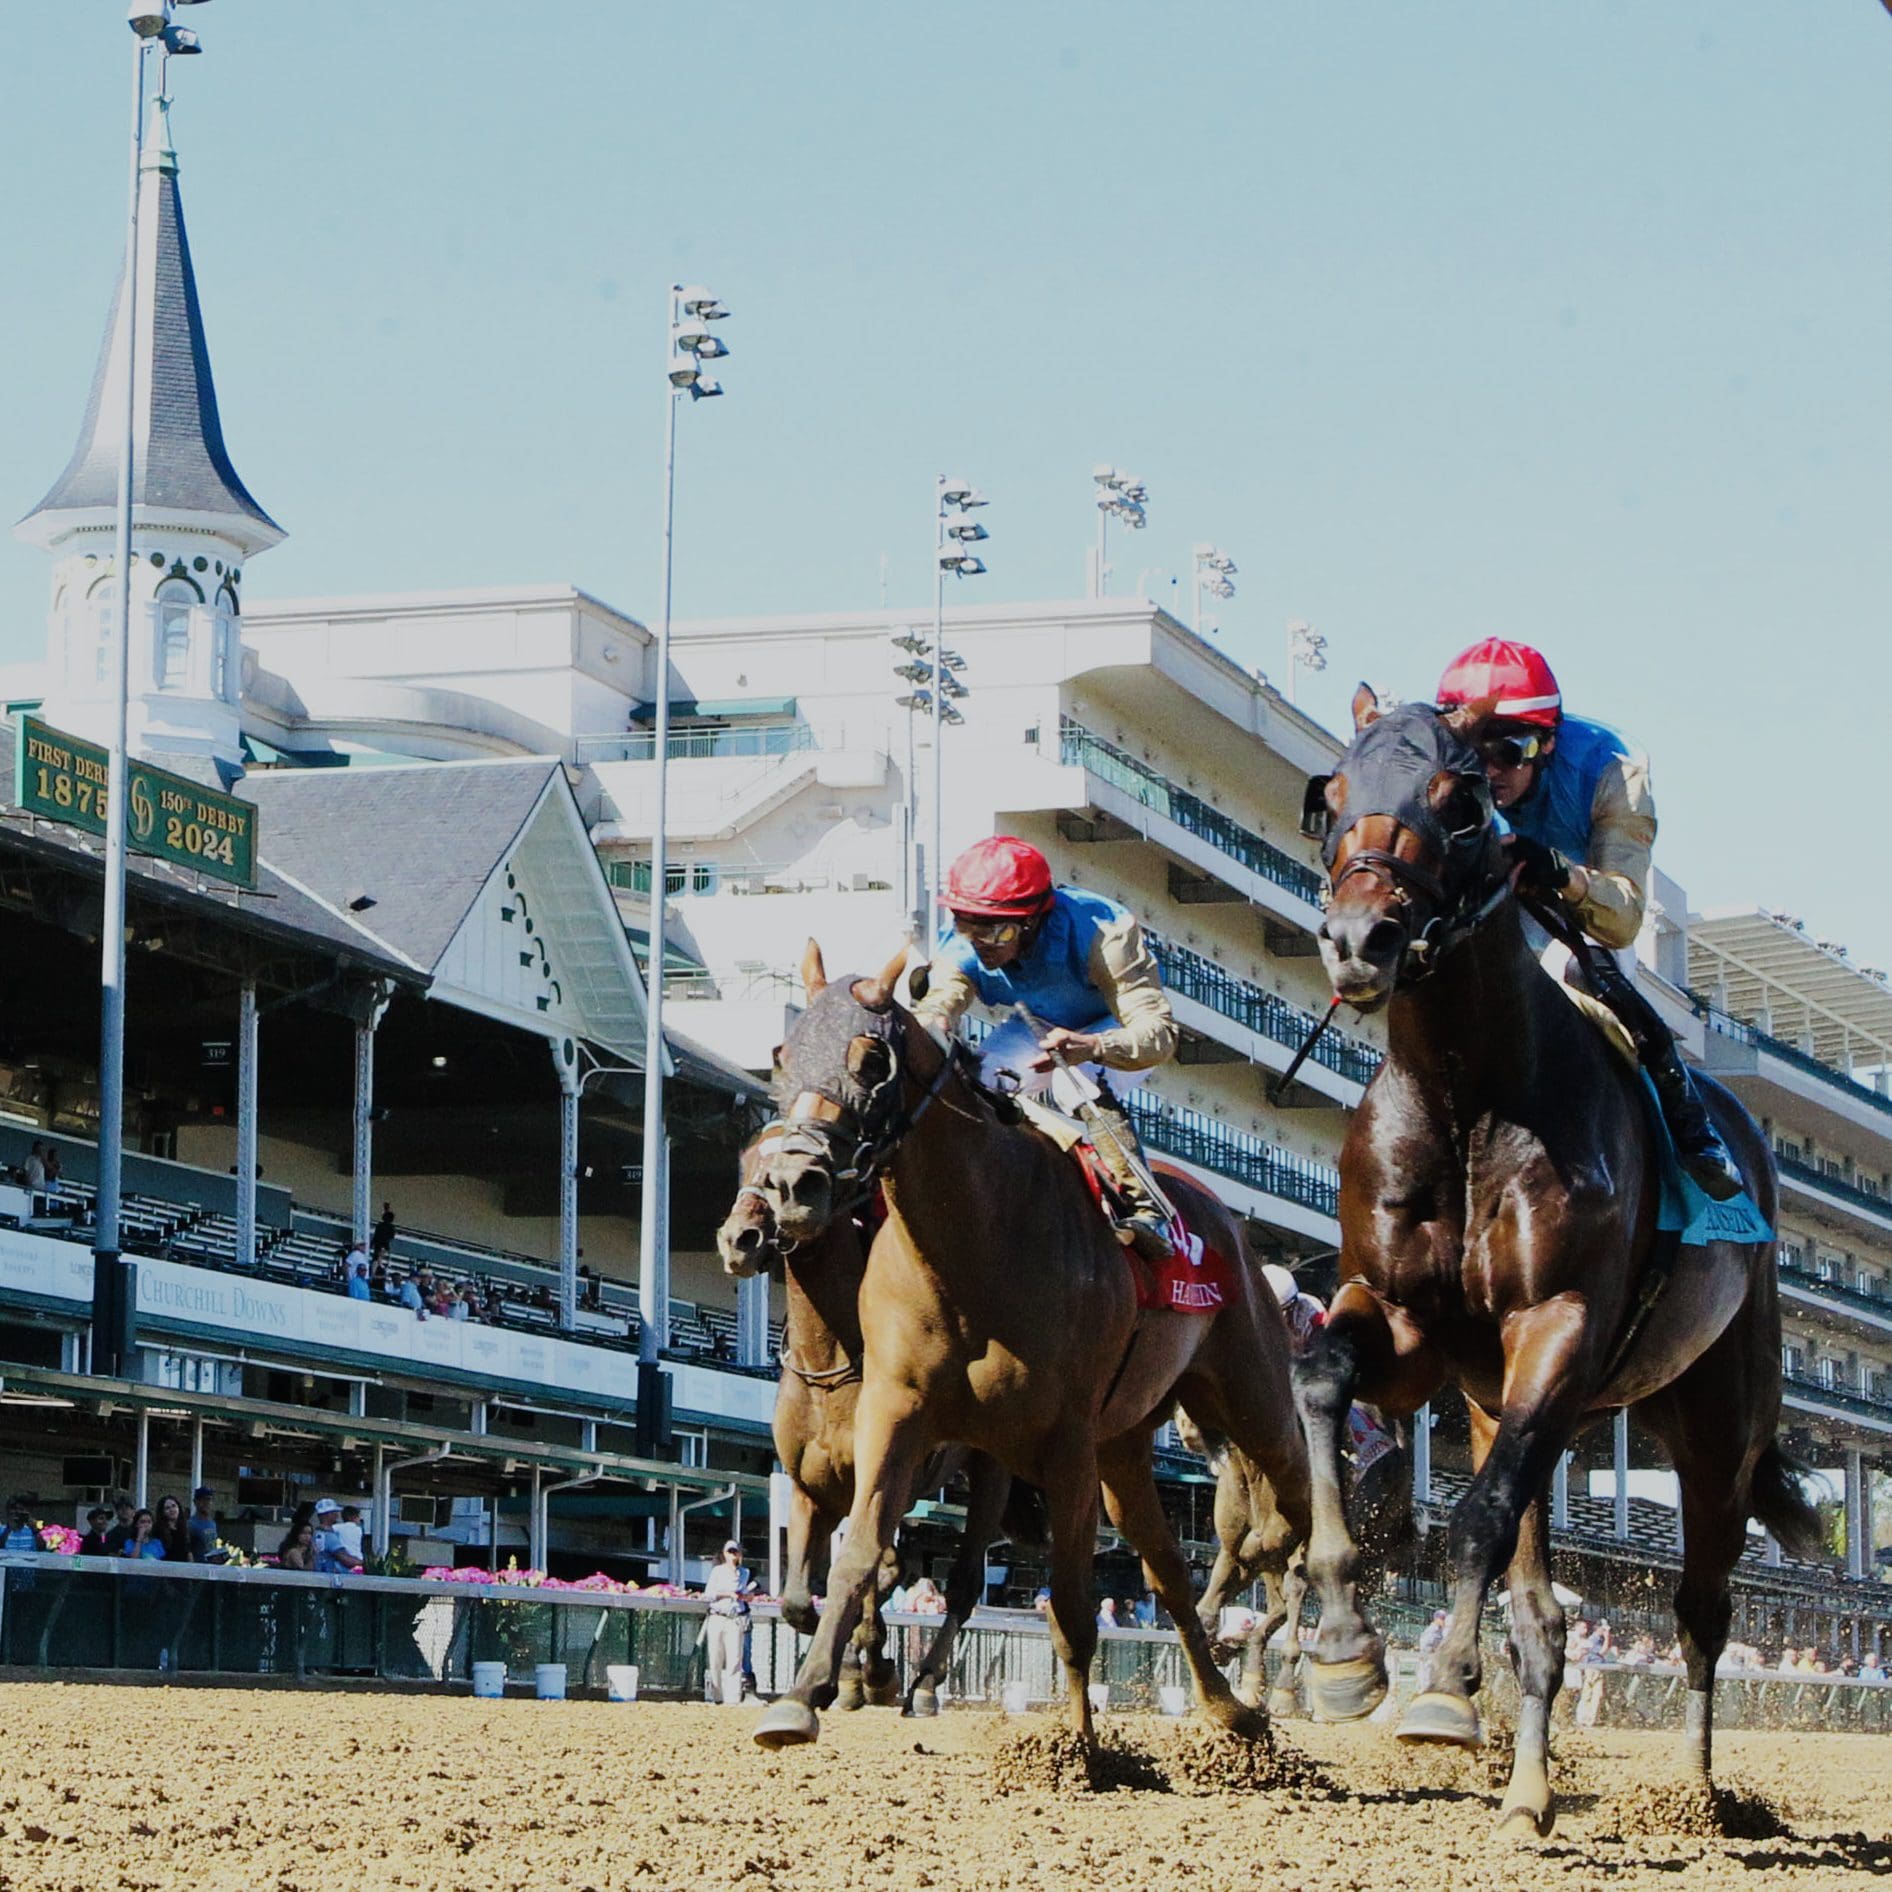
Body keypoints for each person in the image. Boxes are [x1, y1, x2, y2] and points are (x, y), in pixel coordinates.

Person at [1436, 639, 1741, 1198]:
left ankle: (1691, 1128)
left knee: (1584, 977)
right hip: (1484, 914)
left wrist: (1556, 873)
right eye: (1474, 751)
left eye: (1512, 751)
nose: (1490, 770)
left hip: (1578, 920)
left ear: (1548, 743)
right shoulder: (1434, 764)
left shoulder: (1613, 771)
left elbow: (1623, 918)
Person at [915, 835, 1181, 1258]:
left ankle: (1148, 1209)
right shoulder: (964, 943)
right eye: (968, 929)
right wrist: (933, 1022)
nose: (982, 945)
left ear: (1032, 921)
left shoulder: (1104, 933)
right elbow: (939, 1002)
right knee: (981, 1079)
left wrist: (1094, 1045)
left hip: (1109, 1029)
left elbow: (1161, 1036)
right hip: (1040, 1024)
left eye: (997, 932)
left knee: (1073, 1084)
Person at [700, 1541, 752, 1703]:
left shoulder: (744, 1573)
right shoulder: (717, 1571)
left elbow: (746, 1595)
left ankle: (733, 1697)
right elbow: (709, 1594)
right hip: (717, 1616)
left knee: (735, 1659)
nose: (733, 1555)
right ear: (724, 1554)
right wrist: (728, 1594)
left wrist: (745, 1596)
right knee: (715, 1657)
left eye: (735, 1552)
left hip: (734, 1618)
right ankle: (717, 1697)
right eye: (730, 1552)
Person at [152, 1495, 191, 1564]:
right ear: (162, 1512)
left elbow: (188, 1551)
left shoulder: (185, 1528)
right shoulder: (157, 1530)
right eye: (167, 1508)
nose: (172, 1510)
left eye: (174, 1506)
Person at [186, 1487, 221, 1563]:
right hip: (198, 1569)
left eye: (209, 1500)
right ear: (195, 1502)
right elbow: (187, 1550)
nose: (207, 1503)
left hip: (212, 1568)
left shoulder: (212, 1523)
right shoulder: (190, 1524)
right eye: (203, 1500)